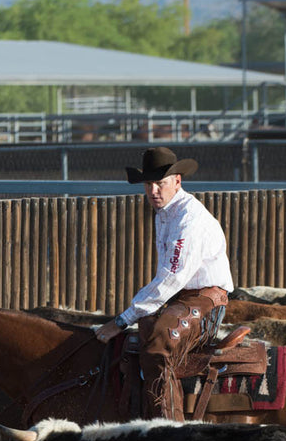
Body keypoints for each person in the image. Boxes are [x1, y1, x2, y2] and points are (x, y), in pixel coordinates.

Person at [94, 147, 233, 420]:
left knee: (159, 340)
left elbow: (172, 276)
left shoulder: (189, 220)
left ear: (177, 181)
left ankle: (169, 426)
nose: (154, 190)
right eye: (149, 184)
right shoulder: (166, 213)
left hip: (206, 301)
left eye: (161, 183)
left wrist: (122, 320)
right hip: (183, 298)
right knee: (145, 330)